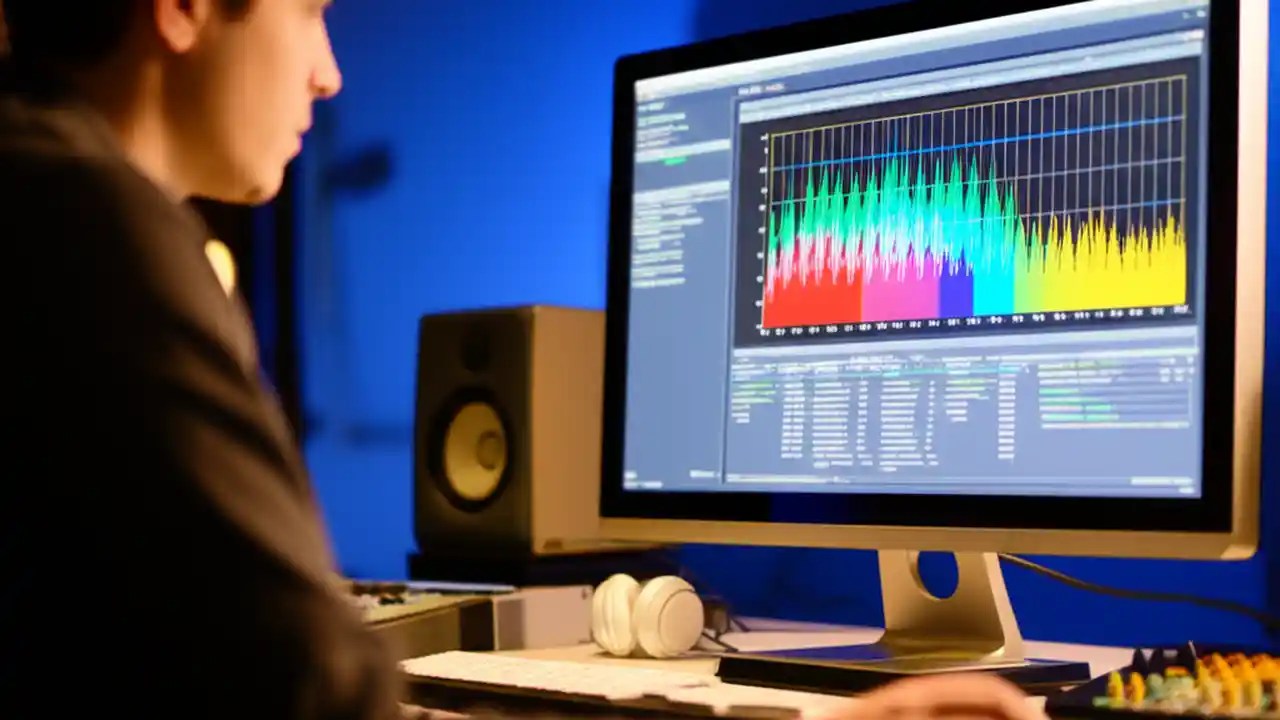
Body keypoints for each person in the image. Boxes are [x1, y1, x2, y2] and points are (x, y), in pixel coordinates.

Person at [0, 2, 1049, 720]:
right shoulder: (91, 225)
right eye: (310, 8)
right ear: (181, 7)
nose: (328, 70)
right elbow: (314, 692)